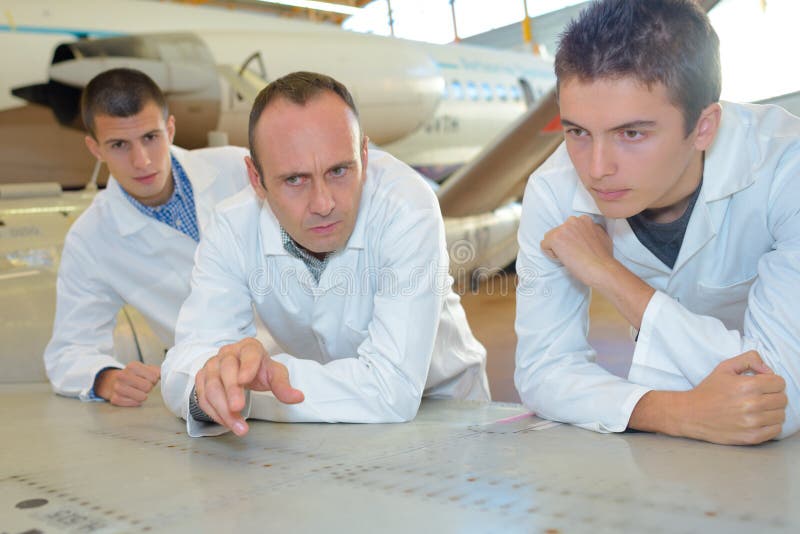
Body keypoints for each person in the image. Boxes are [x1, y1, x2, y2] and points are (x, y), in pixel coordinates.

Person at [514, 0, 799, 445]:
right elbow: (542, 370)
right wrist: (677, 412)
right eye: (577, 132)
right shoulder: (554, 190)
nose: (596, 168)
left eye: (632, 134)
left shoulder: (787, 170)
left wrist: (611, 276)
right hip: (699, 430)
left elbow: (783, 397)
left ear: (704, 127)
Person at [161, 71, 489, 437]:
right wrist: (209, 387)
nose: (323, 203)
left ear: (364, 156)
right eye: (295, 180)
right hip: (327, 416)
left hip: (447, 407)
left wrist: (256, 387)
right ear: (256, 179)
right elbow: (186, 362)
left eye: (339, 170)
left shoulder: (406, 206)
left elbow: (393, 389)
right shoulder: (232, 226)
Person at [44, 68, 252, 406]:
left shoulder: (237, 169)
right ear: (95, 148)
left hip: (314, 360)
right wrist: (105, 378)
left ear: (169, 129)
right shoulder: (91, 238)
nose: (141, 161)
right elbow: (70, 349)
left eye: (150, 137)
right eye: (119, 145)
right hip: (218, 388)